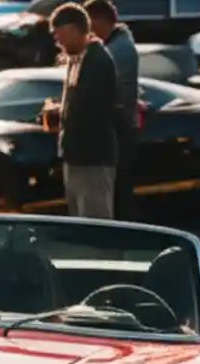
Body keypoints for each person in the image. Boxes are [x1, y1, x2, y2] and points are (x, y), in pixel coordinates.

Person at [41, 3, 117, 219]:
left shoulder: (97, 61)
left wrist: (64, 114)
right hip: (75, 156)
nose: (57, 40)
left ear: (74, 29)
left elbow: (94, 110)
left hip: (92, 158)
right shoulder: (78, 60)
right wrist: (59, 110)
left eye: (59, 33)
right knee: (81, 220)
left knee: (96, 224)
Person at [84, 0, 137, 221]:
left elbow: (112, 93)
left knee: (118, 192)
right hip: (119, 126)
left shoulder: (116, 50)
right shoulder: (117, 44)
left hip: (118, 129)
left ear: (100, 21)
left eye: (88, 25)